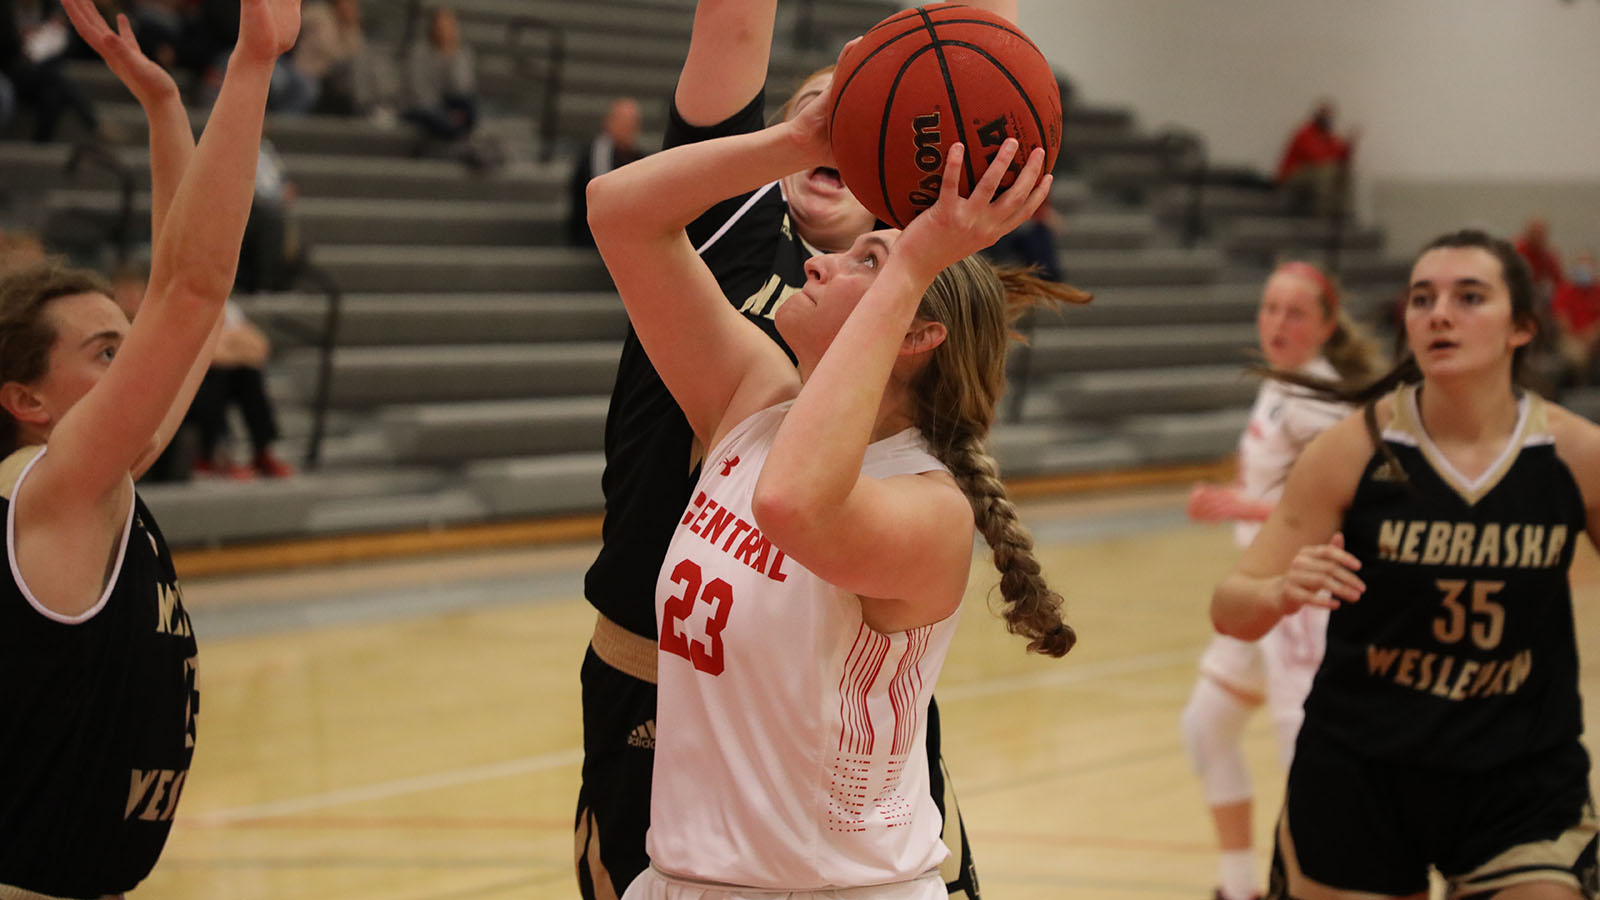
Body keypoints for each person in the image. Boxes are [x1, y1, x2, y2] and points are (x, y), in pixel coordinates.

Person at [589, 35, 1082, 892]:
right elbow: (617, 211)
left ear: (917, 333)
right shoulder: (755, 396)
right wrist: (801, 143)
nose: (817, 258)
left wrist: (919, 258)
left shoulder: (930, 510)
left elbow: (793, 506)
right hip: (687, 878)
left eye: (868, 259)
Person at [0, 0, 296, 894]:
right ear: (26, 400)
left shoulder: (94, 488)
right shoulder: (50, 492)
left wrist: (168, 112)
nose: (135, 371)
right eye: (104, 355)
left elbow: (182, 296)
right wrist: (249, 66)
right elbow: (191, 290)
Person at [1212, 229, 1600, 899]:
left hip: (1521, 774)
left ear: (1523, 327)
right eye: (1423, 298)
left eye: (1469, 297)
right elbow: (1231, 605)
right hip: (1360, 770)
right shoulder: (1353, 448)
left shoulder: (1575, 453)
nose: (1439, 313)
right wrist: (1277, 589)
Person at [1179, 260, 1379, 900]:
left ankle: (1320, 883)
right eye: (1270, 308)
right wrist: (1238, 495)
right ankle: (1239, 886)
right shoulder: (1280, 385)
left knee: (1305, 753)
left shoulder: (1322, 399)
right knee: (1206, 727)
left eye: (1296, 312)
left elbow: (1340, 500)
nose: (1278, 322)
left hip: (1301, 595)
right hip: (1257, 593)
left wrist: (1244, 506)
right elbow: (1278, 487)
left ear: (1326, 324)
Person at [568, 96, 644, 247]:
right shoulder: (594, 154)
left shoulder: (638, 156)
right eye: (624, 123)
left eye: (633, 124)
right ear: (609, 123)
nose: (629, 129)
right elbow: (601, 197)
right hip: (590, 229)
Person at [401, 6, 475, 144]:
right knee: (438, 118)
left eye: (449, 26)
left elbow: (462, 88)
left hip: (449, 107)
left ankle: (454, 137)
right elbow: (418, 91)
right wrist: (445, 113)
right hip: (420, 107)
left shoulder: (461, 54)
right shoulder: (418, 53)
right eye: (441, 26)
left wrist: (451, 56)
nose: (444, 30)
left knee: (470, 107)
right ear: (433, 28)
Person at [1275, 100, 1357, 218]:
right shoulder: (1304, 133)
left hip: (1314, 173)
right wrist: (1333, 156)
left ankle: (1342, 213)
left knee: (1345, 172)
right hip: (1292, 175)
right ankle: (1322, 215)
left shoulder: (1329, 136)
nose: (1327, 119)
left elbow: (1341, 158)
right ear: (1317, 116)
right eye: (1324, 115)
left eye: (1329, 116)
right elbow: (1316, 158)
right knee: (1326, 171)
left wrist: (1349, 144)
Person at [1552, 251, 1600, 386]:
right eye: (1581, 265)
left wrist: (1591, 335)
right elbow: (1561, 319)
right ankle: (1581, 389)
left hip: (1595, 338)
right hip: (1571, 337)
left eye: (1588, 265)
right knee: (1577, 356)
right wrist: (1578, 337)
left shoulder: (1598, 291)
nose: (1584, 269)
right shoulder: (1565, 290)